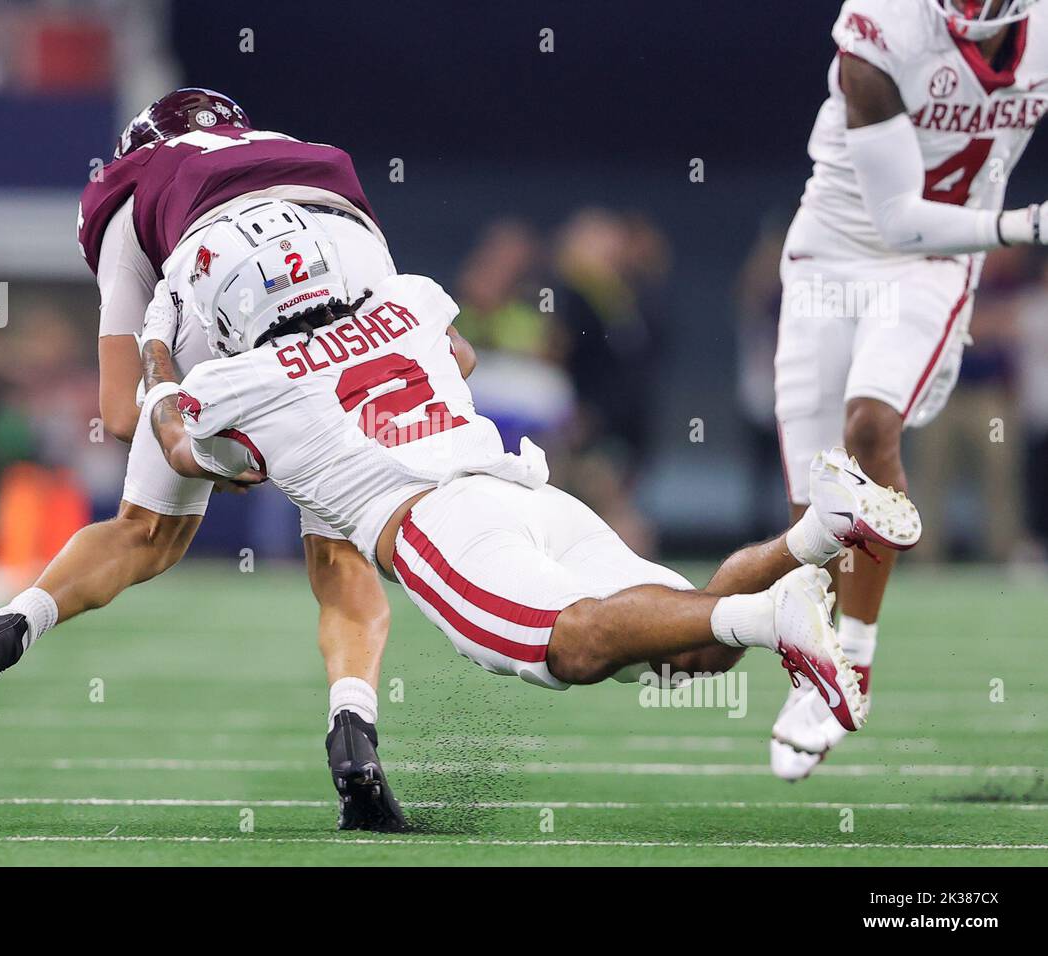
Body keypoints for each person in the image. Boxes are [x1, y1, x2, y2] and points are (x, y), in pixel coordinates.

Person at [143, 202, 919, 736]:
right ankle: (816, 532)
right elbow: (463, 356)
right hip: (530, 491)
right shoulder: (404, 304)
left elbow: (183, 448)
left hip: (435, 524)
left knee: (573, 645)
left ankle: (775, 617)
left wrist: (155, 350)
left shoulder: (235, 381)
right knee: (694, 651)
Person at [0, 90, 406, 832]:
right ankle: (354, 732)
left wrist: (208, 448)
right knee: (340, 552)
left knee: (144, 533)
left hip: (217, 275)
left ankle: (6, 629)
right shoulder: (300, 151)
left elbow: (116, 411)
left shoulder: (139, 182)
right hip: (348, 267)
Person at [771, 0, 1048, 780]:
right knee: (815, 503)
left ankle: (853, 658)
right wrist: (1028, 225)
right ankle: (817, 669)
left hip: (934, 265)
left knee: (869, 427)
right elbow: (896, 219)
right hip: (836, 249)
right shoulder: (883, 27)